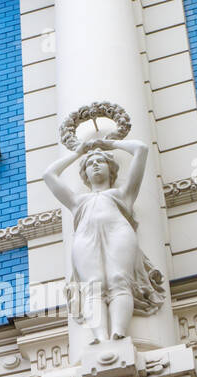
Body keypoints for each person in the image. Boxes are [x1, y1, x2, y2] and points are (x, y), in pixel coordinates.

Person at [42, 136, 164, 343]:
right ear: (85, 175)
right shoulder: (77, 201)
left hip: (119, 233)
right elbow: (48, 175)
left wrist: (111, 144)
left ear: (111, 169)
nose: (95, 164)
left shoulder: (123, 194)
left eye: (100, 161)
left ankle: (119, 332)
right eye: (90, 164)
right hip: (85, 238)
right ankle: (100, 336)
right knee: (92, 286)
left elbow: (141, 149)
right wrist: (79, 152)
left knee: (119, 280)